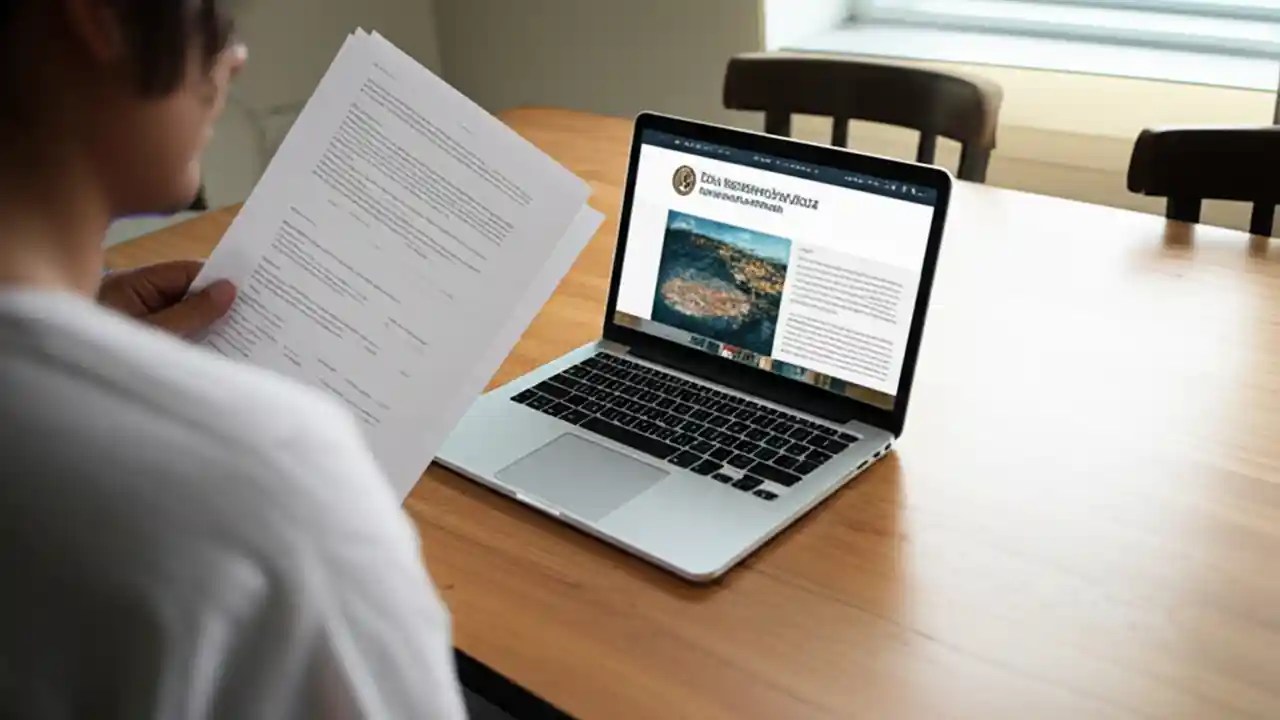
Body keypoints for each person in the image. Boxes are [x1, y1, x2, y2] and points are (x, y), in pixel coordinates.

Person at [0, 1, 467, 717]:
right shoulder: (269, 482)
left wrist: (80, 330)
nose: (236, 56)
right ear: (96, 17)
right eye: (210, 11)